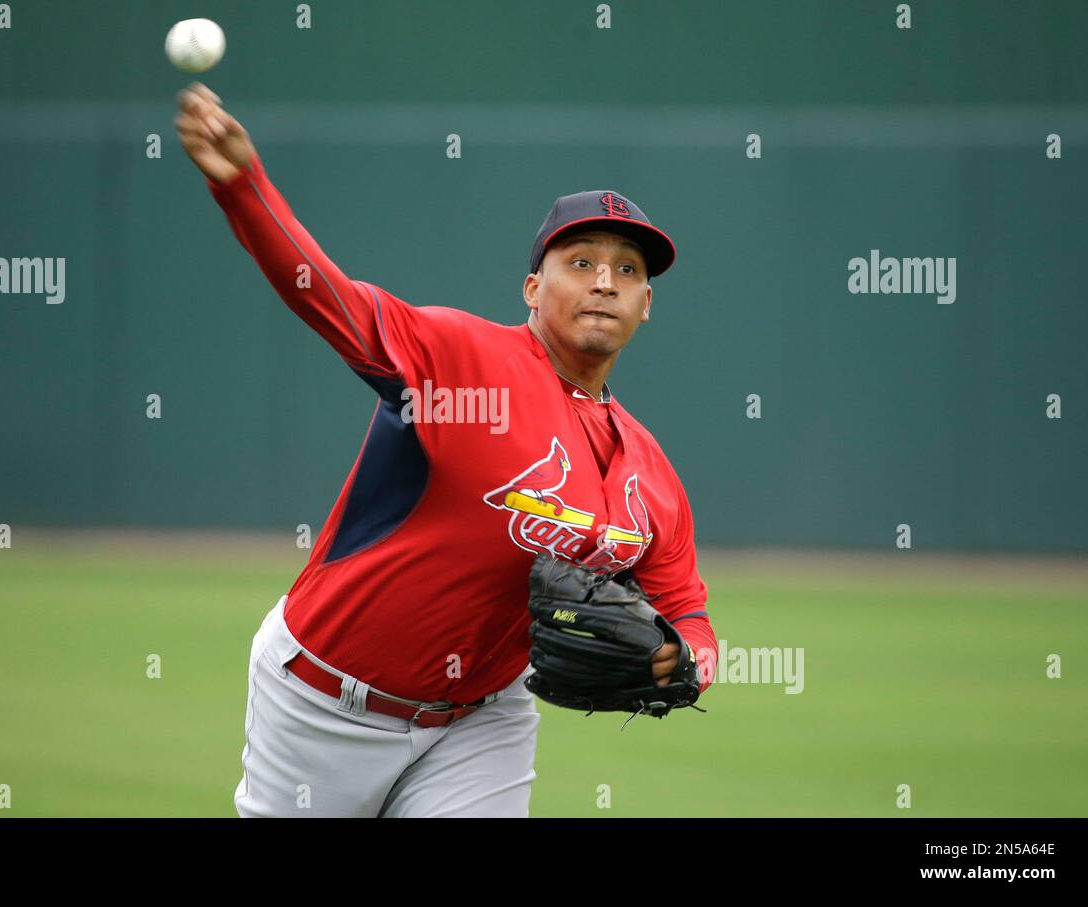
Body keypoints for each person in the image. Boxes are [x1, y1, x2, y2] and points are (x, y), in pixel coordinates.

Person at [175, 82, 718, 818]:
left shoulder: (651, 476)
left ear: (647, 303)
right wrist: (244, 186)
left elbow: (686, 609)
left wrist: (682, 658)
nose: (604, 281)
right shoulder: (458, 358)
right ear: (532, 287)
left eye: (629, 270)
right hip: (321, 698)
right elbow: (325, 297)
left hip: (481, 720)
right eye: (581, 260)